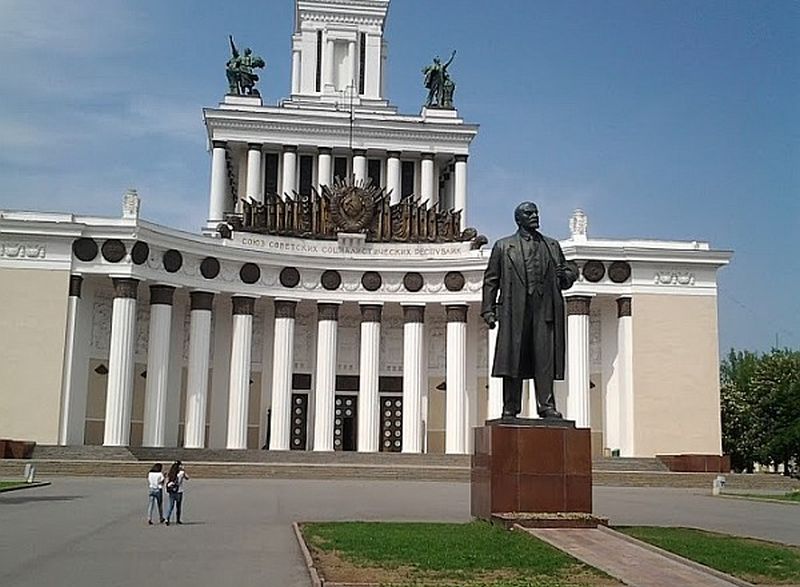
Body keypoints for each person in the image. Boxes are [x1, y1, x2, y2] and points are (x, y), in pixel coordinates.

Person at [481, 202, 578, 419]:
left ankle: (546, 405)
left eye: (535, 212)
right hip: (514, 311)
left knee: (544, 360)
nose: (534, 216)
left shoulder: (551, 246)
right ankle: (510, 407)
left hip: (544, 311)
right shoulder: (503, 246)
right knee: (513, 359)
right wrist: (488, 310)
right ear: (518, 219)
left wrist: (567, 276)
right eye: (528, 213)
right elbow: (491, 280)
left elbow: (565, 276)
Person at [164, 460, 190, 525]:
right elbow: (187, 477)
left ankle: (167, 518)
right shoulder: (181, 473)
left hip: (172, 491)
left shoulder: (170, 473)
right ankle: (178, 519)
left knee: (170, 506)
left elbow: (167, 481)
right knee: (178, 506)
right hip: (179, 491)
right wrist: (183, 470)